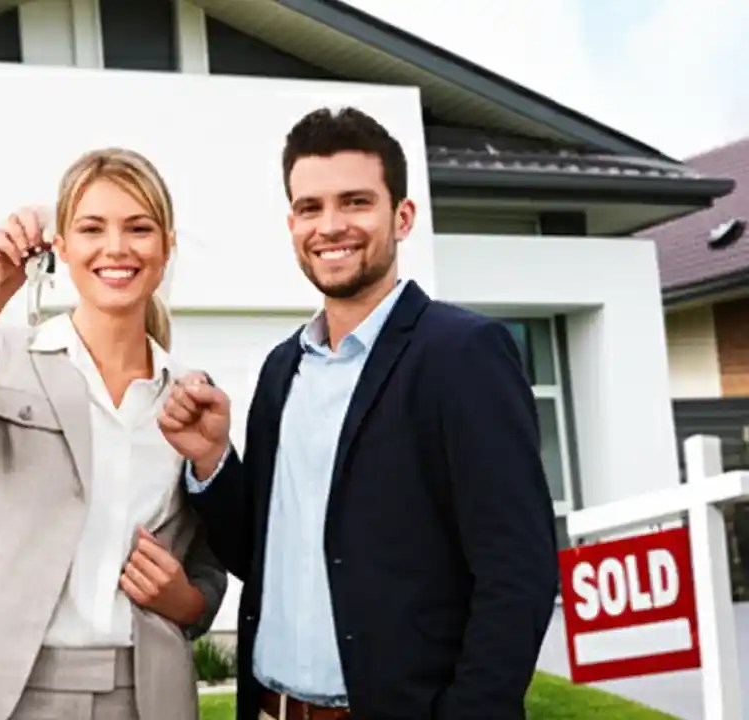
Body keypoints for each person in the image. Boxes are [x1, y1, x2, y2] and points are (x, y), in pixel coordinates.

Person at [157, 107, 559, 720]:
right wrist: (212, 458)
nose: (331, 226)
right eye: (311, 207)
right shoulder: (279, 370)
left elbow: (519, 573)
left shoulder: (463, 354)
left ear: (402, 217)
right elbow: (260, 556)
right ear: (291, 223)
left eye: (355, 202)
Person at [0, 147, 227, 720]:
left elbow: (208, 558)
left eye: (139, 228)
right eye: (92, 228)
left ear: (166, 247)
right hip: (6, 687)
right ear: (62, 248)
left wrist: (191, 603)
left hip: (144, 693)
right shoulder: (8, 358)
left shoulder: (189, 396)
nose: (116, 248)